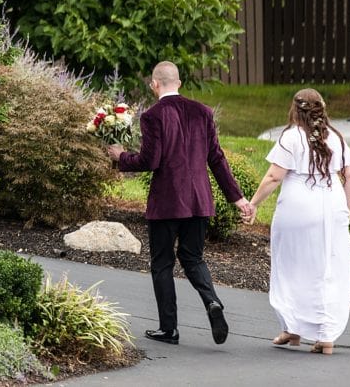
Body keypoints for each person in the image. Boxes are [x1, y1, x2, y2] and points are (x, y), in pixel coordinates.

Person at [107, 61, 254, 346]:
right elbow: (217, 159)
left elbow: (150, 161)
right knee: (193, 258)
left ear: (154, 84)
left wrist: (121, 156)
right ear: (180, 83)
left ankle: (169, 329)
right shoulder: (203, 112)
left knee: (162, 263)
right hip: (199, 200)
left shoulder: (152, 116)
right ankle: (212, 301)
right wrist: (238, 198)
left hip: (168, 201)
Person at [246, 88, 350, 355]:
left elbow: (274, 177)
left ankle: (292, 328)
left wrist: (253, 204)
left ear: (295, 109)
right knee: (328, 268)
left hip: (298, 207)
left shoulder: (291, 136)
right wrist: (346, 210)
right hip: (332, 206)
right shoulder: (336, 137)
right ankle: (326, 335)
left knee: (291, 264)